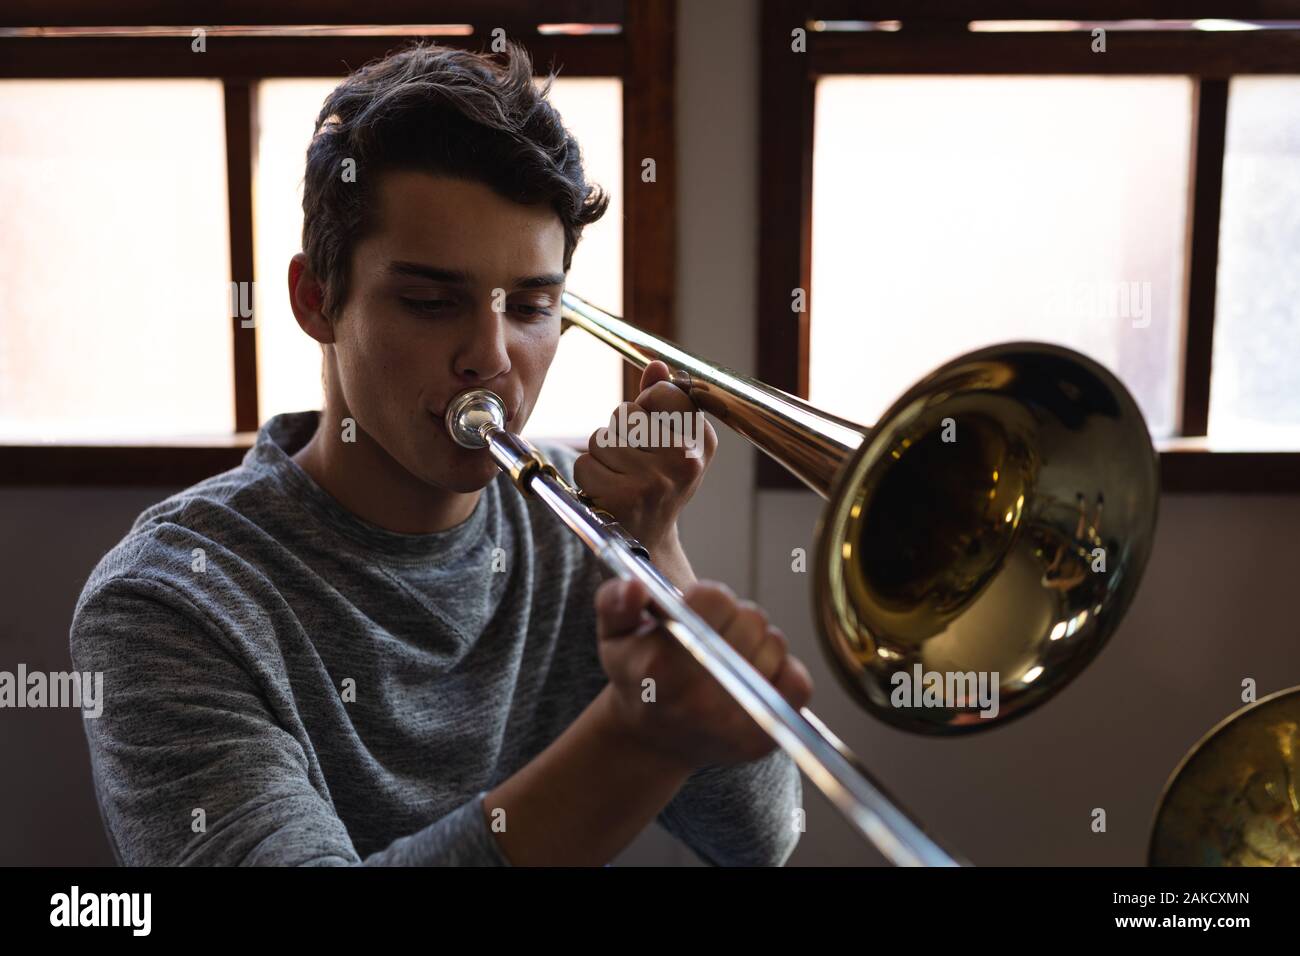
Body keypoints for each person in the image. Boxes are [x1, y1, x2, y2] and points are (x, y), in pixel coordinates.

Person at [69, 40, 812, 867]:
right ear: (317, 299)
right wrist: (633, 740)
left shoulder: (587, 524)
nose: (490, 356)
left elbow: (756, 840)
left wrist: (656, 545)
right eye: (430, 300)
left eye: (531, 305)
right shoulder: (170, 598)